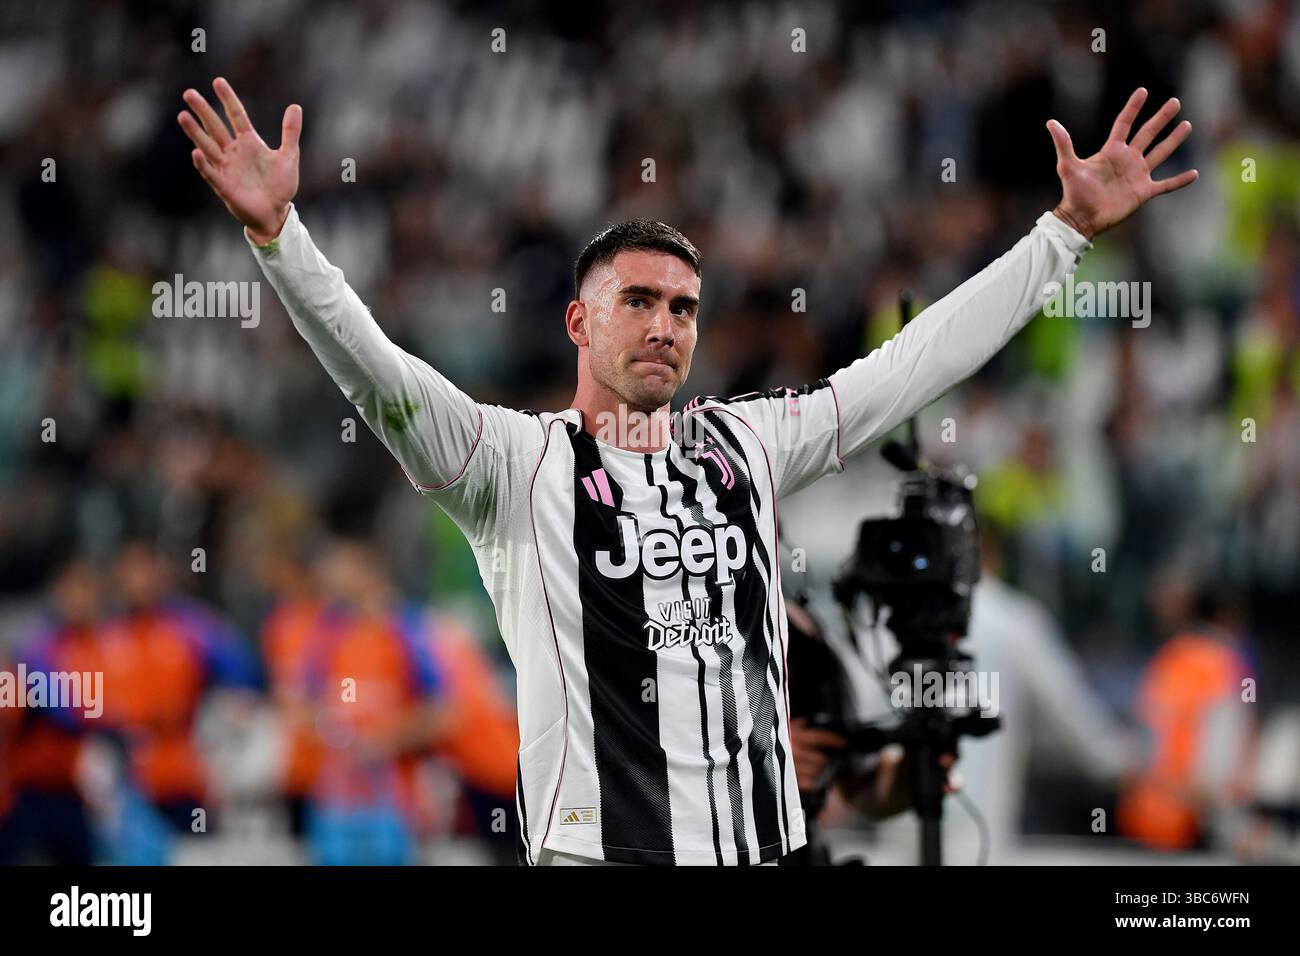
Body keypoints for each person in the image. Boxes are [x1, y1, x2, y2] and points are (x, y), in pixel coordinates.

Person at [177, 77, 1196, 865]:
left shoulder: (748, 443)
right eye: (639, 302)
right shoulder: (510, 463)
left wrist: (1059, 237)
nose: (666, 325)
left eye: (683, 307)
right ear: (580, 320)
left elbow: (914, 361)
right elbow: (378, 374)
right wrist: (279, 237)